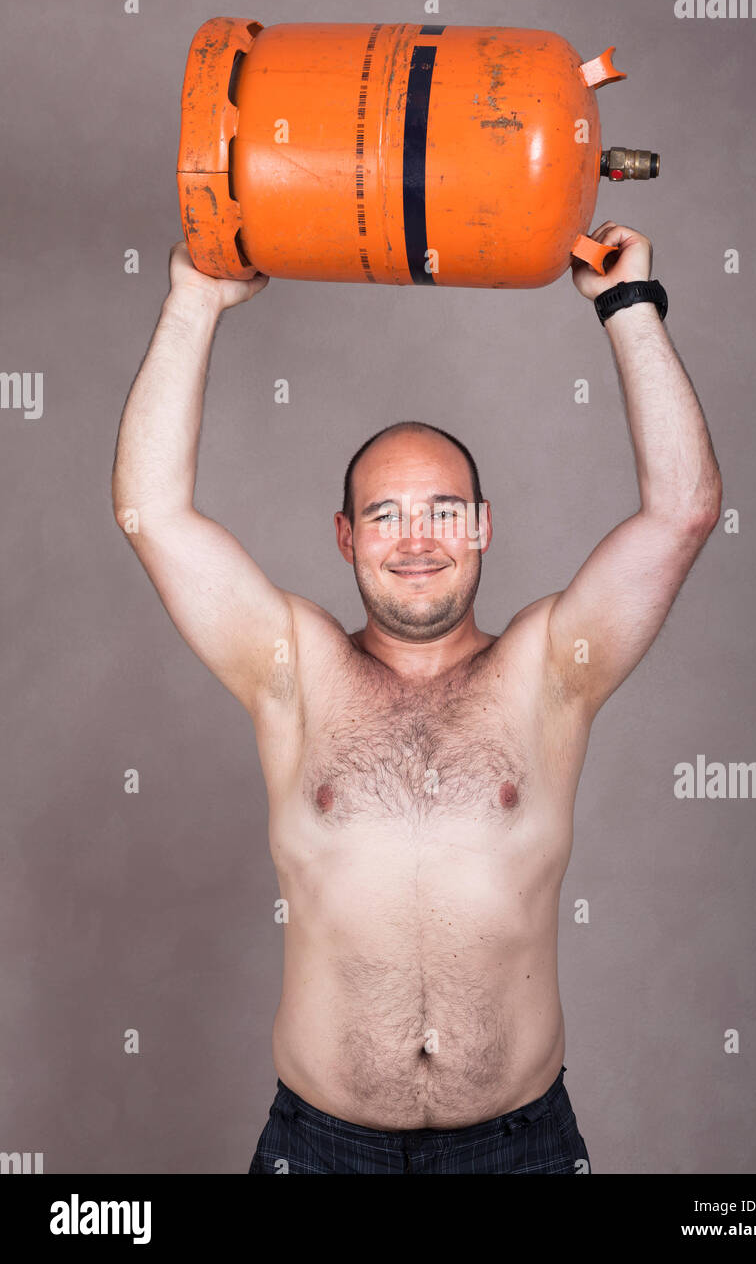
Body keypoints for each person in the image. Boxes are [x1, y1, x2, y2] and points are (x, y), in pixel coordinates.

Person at [111, 222, 721, 1174]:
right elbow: (150, 513)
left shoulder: (552, 668)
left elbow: (683, 512)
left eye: (443, 511)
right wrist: (194, 301)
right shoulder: (292, 668)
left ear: (482, 528)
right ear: (346, 538)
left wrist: (627, 305)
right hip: (321, 1150)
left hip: (520, 1151)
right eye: (386, 515)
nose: (417, 539)